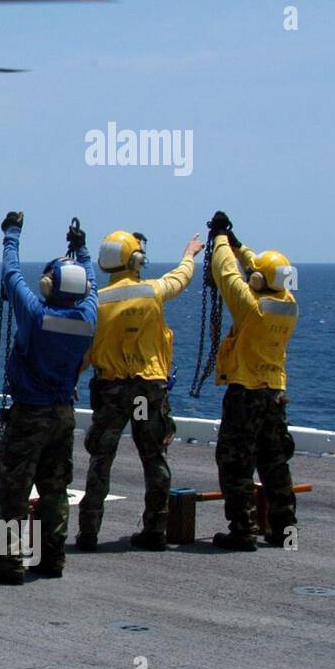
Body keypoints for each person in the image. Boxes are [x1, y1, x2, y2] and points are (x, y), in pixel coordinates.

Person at [0, 212, 97, 584]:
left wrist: (11, 234)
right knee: (54, 489)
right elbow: (91, 281)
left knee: (14, 490)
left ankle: (9, 564)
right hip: (63, 413)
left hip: (30, 414)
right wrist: (81, 249)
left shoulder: (35, 316)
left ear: (49, 285)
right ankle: (52, 560)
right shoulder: (89, 316)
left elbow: (11, 275)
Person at [76, 230, 204, 551]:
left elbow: (84, 354)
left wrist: (65, 384)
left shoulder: (96, 303)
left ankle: (89, 532)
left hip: (111, 394)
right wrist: (189, 254)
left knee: (101, 460)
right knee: (153, 456)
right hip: (145, 395)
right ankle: (155, 529)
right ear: (136, 260)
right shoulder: (152, 291)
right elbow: (180, 278)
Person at [206, 211, 299, 550]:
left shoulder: (251, 308)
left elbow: (226, 273)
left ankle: (242, 529)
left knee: (235, 461)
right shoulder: (289, 305)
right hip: (275, 393)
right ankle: (283, 528)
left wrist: (218, 238)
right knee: (275, 461)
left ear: (258, 282)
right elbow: (255, 270)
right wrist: (239, 244)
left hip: (245, 392)